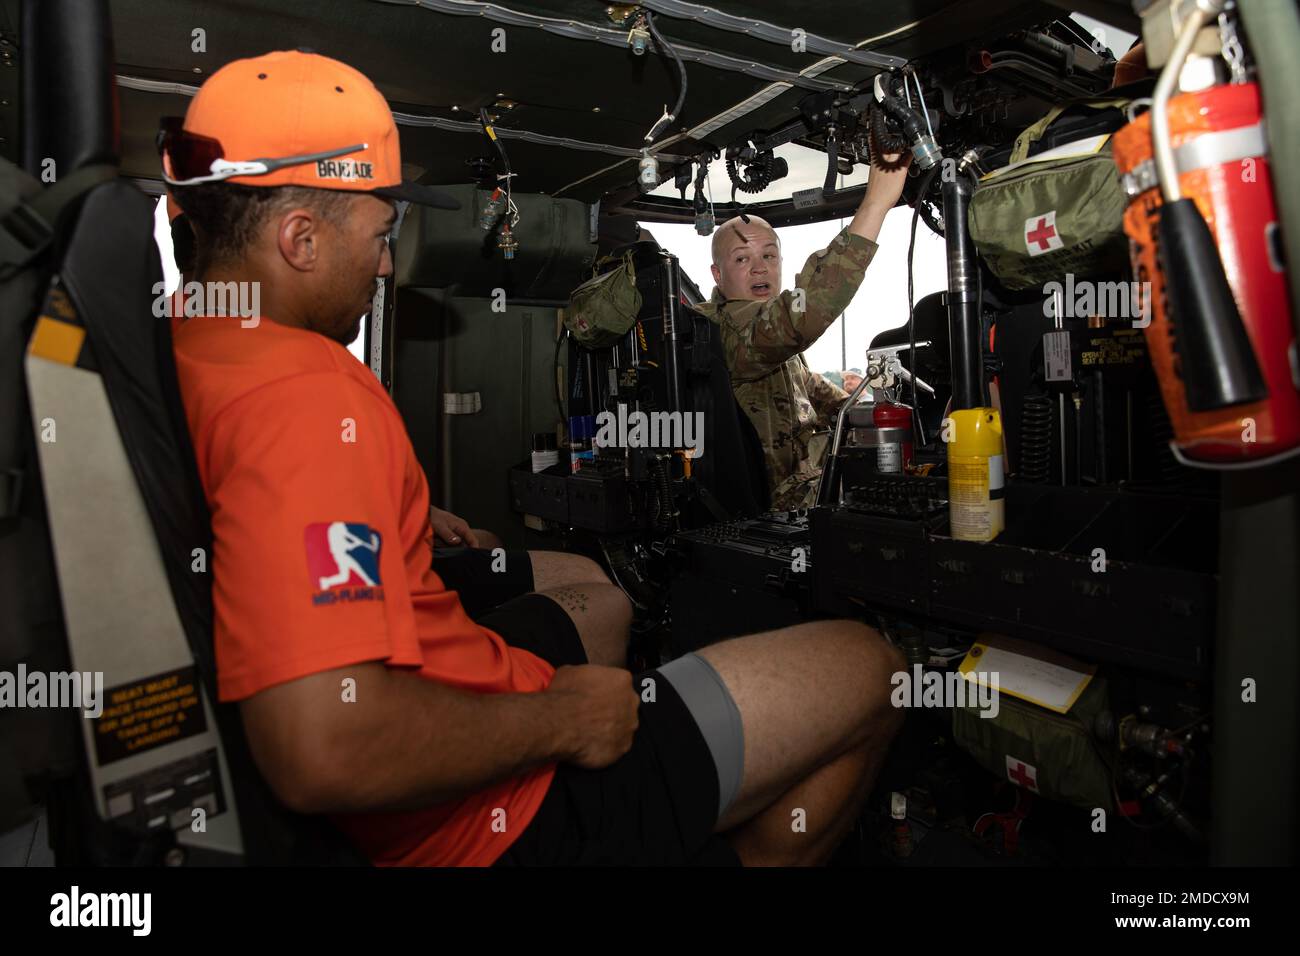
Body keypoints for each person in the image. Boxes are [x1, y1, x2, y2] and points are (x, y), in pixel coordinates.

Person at [168, 49, 904, 866]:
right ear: (300, 238)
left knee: (599, 594)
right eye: (381, 235)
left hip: (456, 708)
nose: (384, 265)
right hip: (493, 815)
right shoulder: (305, 393)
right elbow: (324, 747)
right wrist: (567, 719)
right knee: (870, 665)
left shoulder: (192, 345)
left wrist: (398, 524)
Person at [695, 160, 910, 509]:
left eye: (769, 255)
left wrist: (881, 415)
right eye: (742, 259)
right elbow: (801, 316)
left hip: (812, 481)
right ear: (717, 274)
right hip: (782, 505)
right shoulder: (726, 330)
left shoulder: (772, 337)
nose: (760, 267)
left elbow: (816, 392)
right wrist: (876, 203)